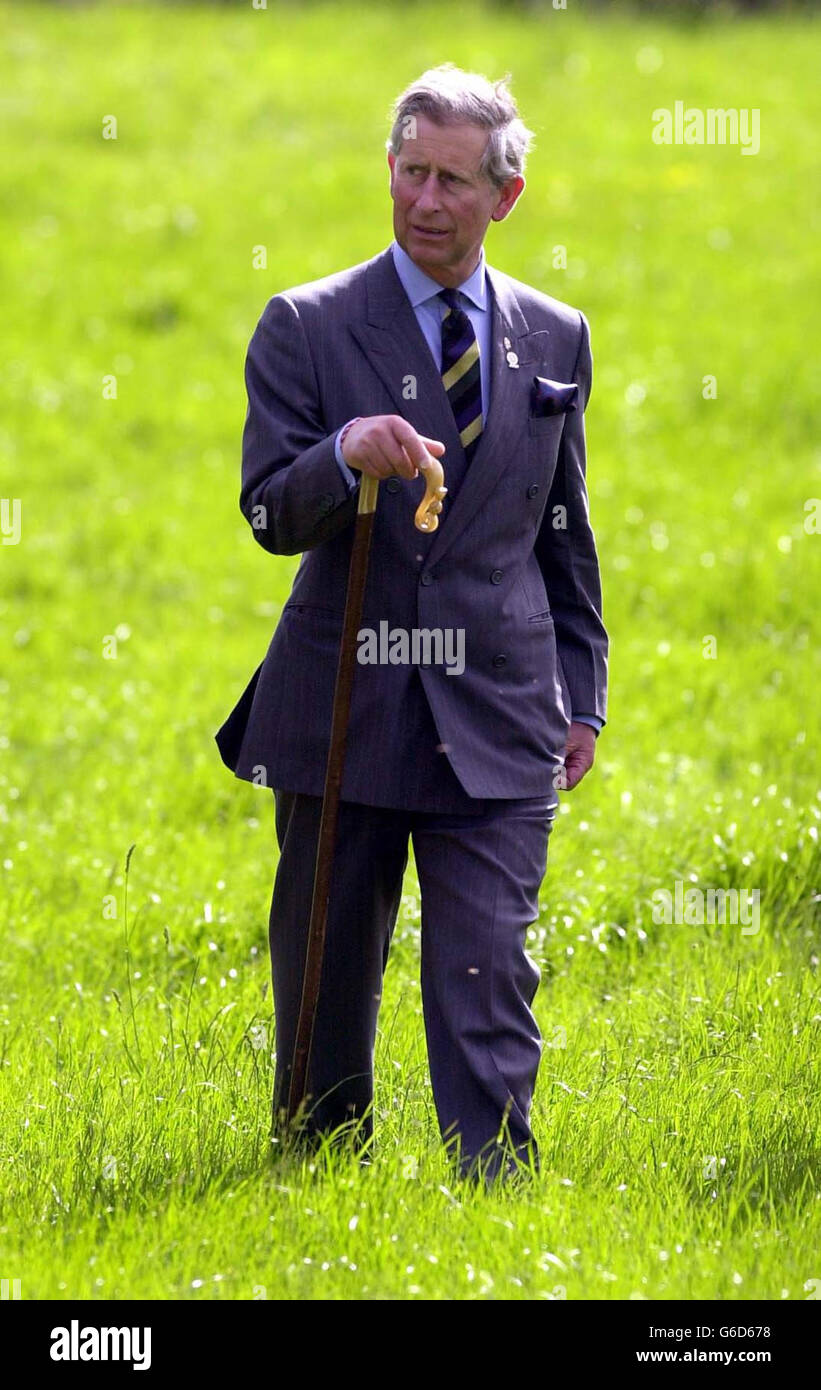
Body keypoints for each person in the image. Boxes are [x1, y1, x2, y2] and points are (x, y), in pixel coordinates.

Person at [215, 64, 608, 1183]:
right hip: (347, 703)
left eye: (452, 181)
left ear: (506, 195)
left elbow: (563, 534)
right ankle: (318, 1170)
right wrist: (343, 456)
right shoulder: (307, 324)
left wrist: (581, 695)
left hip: (499, 706)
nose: (425, 200)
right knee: (327, 970)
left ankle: (494, 1187)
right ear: (389, 168)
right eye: (410, 173)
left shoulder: (556, 336)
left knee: (487, 967)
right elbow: (265, 512)